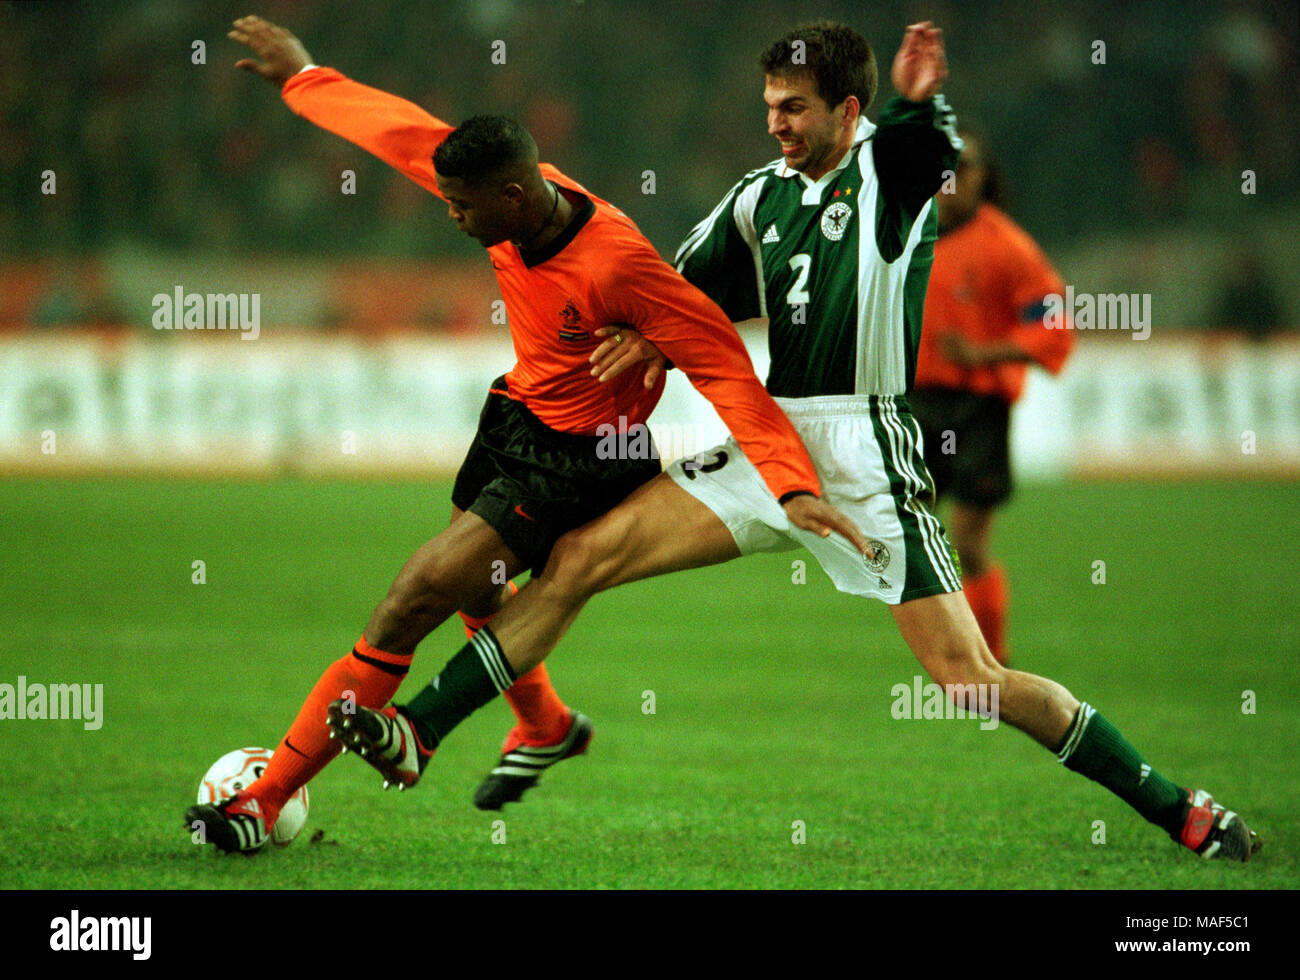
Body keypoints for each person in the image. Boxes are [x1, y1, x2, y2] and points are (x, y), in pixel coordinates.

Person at [332, 19, 1259, 863]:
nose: (775, 122)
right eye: (769, 105)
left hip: (866, 452)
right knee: (577, 556)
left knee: (970, 680)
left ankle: (1180, 809)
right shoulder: (755, 198)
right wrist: (649, 332)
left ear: (846, 110)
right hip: (769, 439)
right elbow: (678, 293)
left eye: (794, 107)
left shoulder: (891, 177)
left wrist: (918, 96)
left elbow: (921, 145)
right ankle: (419, 730)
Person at [186, 15, 868, 854]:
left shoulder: (620, 265)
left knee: (413, 597)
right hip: (515, 417)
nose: (451, 218)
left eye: (461, 207)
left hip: (579, 462)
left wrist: (792, 484)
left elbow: (726, 365)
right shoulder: (503, 190)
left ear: (510, 198)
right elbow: (396, 130)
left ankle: (261, 802)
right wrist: (304, 76)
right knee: (477, 593)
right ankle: (545, 724)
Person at [909, 128, 1073, 665]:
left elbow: (1053, 326)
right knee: (908, 534)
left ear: (983, 177)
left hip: (978, 408)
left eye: (966, 166)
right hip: (915, 404)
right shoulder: (906, 235)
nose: (953, 178)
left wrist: (984, 354)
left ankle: (990, 662)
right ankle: (949, 651)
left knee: (969, 543)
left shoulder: (1008, 248)